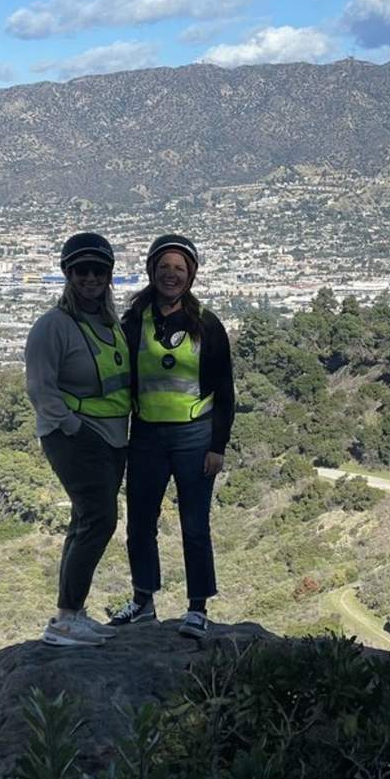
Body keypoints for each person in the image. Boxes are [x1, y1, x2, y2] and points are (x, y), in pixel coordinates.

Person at [109, 234, 234, 638]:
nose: (171, 275)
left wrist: (218, 446)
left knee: (194, 524)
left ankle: (197, 607)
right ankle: (143, 599)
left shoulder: (208, 324)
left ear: (191, 275)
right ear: (151, 271)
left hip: (195, 436)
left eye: (179, 269)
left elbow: (226, 389)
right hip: (146, 435)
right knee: (140, 522)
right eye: (164, 267)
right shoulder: (133, 322)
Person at [25, 232, 130, 647]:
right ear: (67, 274)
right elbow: (39, 387)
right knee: (100, 519)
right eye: (81, 270)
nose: (90, 277)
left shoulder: (109, 324)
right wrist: (71, 427)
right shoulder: (53, 326)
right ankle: (66, 618)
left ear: (109, 275)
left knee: (85, 520)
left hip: (111, 438)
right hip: (76, 437)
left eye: (98, 270)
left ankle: (72, 613)